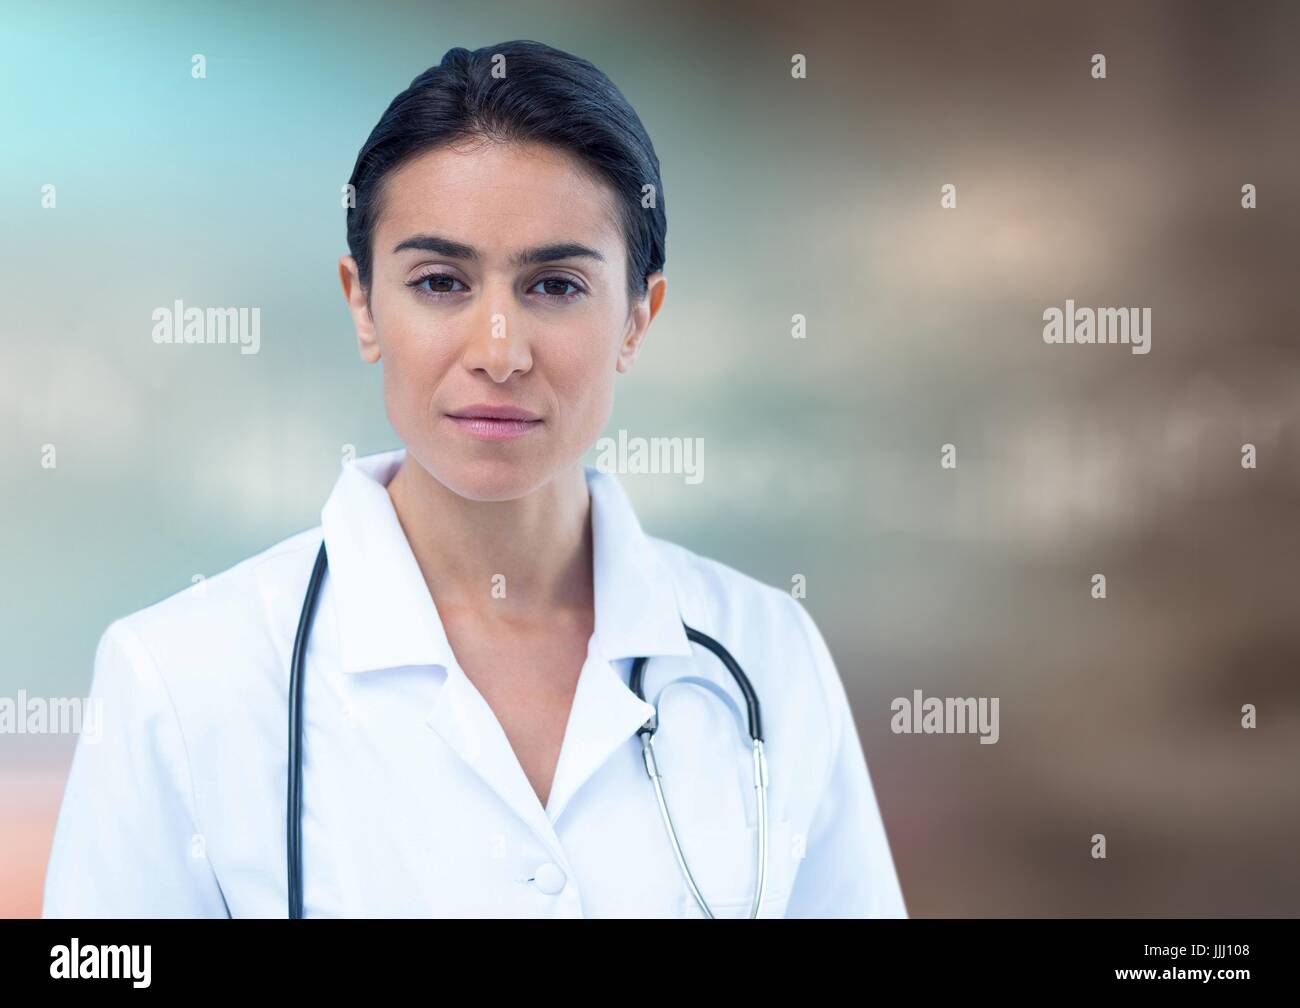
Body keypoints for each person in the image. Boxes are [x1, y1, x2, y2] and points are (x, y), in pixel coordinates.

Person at [42, 39, 907, 919]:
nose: (499, 352)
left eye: (557, 286)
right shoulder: (180, 677)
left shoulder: (767, 657)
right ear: (363, 303)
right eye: (441, 282)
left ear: (639, 318)